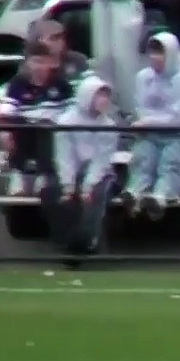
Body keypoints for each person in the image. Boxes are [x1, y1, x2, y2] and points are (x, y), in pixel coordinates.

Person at [124, 31, 180, 219]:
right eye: (152, 53)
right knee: (142, 159)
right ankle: (134, 192)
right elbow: (139, 105)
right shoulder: (143, 77)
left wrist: (150, 120)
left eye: (160, 53)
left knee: (171, 162)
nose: (154, 58)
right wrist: (147, 122)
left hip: (177, 134)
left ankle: (161, 196)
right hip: (149, 133)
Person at [47, 73, 122, 259]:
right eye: (100, 95)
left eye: (106, 95)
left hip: (99, 174)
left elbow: (102, 160)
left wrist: (88, 186)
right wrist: (68, 185)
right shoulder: (65, 122)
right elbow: (64, 156)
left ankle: (89, 240)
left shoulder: (109, 126)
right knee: (53, 193)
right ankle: (67, 242)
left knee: (96, 195)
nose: (104, 100)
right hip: (70, 172)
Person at [0, 40, 77, 207]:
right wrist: (5, 130)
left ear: (50, 63)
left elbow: (73, 112)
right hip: (25, 131)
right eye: (35, 61)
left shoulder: (61, 86)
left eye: (43, 61)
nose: (39, 66)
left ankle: (44, 177)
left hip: (53, 132)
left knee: (45, 129)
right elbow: (7, 110)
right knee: (18, 126)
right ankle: (17, 175)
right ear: (27, 63)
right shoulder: (17, 85)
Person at [29, 19, 90, 84]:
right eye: (54, 38)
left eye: (62, 37)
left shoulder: (78, 60)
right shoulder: (30, 67)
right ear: (39, 41)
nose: (61, 42)